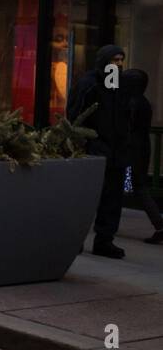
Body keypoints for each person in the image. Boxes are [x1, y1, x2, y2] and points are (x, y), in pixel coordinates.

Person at [68, 44, 130, 258]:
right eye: (115, 60)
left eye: (121, 60)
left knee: (112, 199)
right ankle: (75, 239)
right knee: (87, 197)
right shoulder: (89, 84)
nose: (119, 65)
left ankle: (105, 240)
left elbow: (124, 117)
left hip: (116, 151)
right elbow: (75, 114)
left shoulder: (120, 86)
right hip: (95, 147)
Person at [123, 69, 163, 245]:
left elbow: (128, 127)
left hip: (131, 150)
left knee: (136, 187)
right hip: (141, 148)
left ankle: (160, 225)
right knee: (137, 187)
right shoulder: (143, 102)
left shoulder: (132, 102)